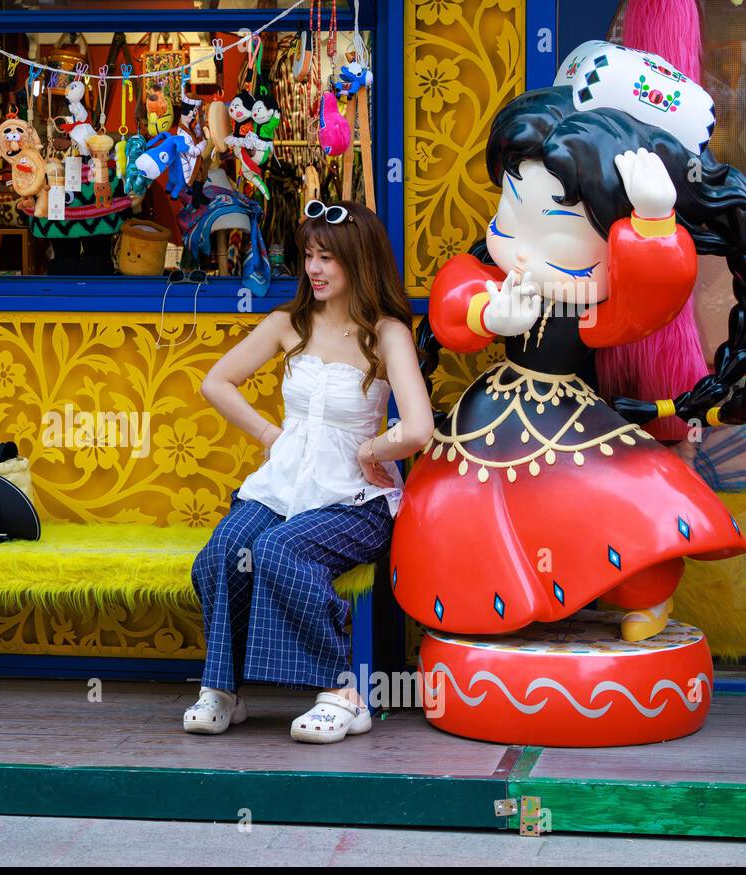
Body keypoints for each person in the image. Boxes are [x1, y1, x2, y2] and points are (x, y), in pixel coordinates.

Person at [391, 56, 746, 643]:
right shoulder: (499, 276)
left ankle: (641, 593)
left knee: (610, 503)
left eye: (554, 221)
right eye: (510, 209)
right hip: (492, 412)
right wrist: (486, 310)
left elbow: (641, 306)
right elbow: (456, 297)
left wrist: (655, 227)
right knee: (468, 507)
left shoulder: (587, 305)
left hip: (571, 414)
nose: (521, 244)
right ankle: (486, 599)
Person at [186, 200, 433, 744]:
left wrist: (373, 447)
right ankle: (223, 688)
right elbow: (216, 383)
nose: (314, 269)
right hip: (281, 488)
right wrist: (269, 436)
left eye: (327, 257)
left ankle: (343, 692)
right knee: (222, 553)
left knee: (279, 550)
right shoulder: (287, 325)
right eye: (309, 256)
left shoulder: (386, 333)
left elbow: (418, 428)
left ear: (359, 260)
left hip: (355, 501)